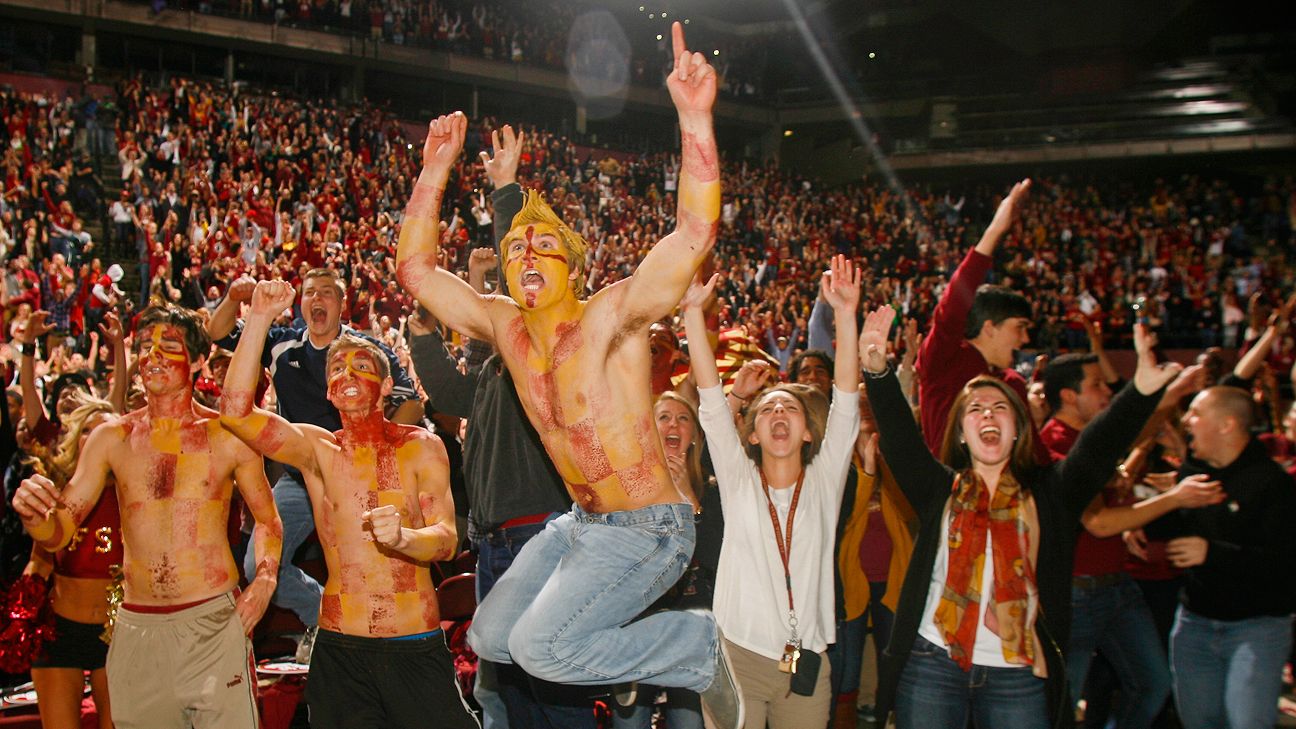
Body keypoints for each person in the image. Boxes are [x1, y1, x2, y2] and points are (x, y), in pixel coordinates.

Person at [397, 23, 743, 729]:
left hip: (649, 525)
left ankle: (696, 647)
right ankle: (616, 654)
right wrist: (433, 172)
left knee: (543, 648)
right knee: (492, 639)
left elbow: (690, 236)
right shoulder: (503, 327)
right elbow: (417, 272)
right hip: (579, 522)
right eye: (517, 242)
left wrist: (694, 119)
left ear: (572, 264)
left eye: (544, 243)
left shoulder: (612, 314)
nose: (526, 251)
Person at [860, 305, 1181, 729]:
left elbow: (1096, 451)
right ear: (961, 430)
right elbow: (900, 440)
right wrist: (877, 370)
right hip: (932, 662)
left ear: (1018, 428)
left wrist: (1139, 392)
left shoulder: (1051, 494)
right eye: (975, 409)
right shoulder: (940, 490)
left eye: (1000, 408)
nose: (988, 414)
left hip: (1018, 670)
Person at [220, 280, 479, 729]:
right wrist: (259, 317)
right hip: (341, 647)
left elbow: (445, 539)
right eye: (336, 368)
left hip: (412, 641)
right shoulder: (319, 452)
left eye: (361, 366)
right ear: (328, 391)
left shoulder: (420, 447)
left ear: (383, 389)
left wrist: (403, 537)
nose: (346, 373)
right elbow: (236, 413)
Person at [11, 301, 282, 729]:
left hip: (210, 621)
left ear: (197, 359)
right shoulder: (109, 438)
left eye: (167, 346)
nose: (151, 357)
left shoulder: (229, 437)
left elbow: (267, 520)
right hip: (136, 628)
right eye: (143, 346)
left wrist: (265, 581)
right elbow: (59, 532)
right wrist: (35, 516)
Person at [408, 124, 593, 729]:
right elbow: (448, 393)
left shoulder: (546, 355)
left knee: (546, 690)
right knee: (502, 693)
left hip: (539, 534)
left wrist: (508, 193)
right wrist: (420, 331)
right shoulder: (493, 371)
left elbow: (525, 277)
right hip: (492, 542)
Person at [684, 255, 861, 729]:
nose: (779, 413)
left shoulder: (825, 483)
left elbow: (846, 404)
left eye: (790, 408)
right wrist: (693, 318)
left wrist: (844, 315)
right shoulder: (739, 481)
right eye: (767, 410)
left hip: (807, 662)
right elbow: (711, 400)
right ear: (754, 435)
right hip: (736, 658)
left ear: (808, 432)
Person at [209, 266, 421, 661]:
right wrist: (236, 298)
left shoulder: (364, 350)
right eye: (309, 293)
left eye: (327, 292)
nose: (317, 299)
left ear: (341, 304)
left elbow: (411, 399)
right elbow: (217, 332)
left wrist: (377, 456)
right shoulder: (281, 344)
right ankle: (325, 617)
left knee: (371, 568)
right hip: (298, 475)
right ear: (300, 303)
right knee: (258, 566)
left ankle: (383, 641)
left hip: (356, 477)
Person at [1040, 353, 1220, 729]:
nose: (1106, 391)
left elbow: (1136, 428)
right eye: (1096, 384)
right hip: (1076, 594)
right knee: (1061, 705)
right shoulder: (1053, 446)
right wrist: (1173, 498)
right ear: (1070, 396)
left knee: (1153, 684)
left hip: (1117, 587)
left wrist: (1175, 391)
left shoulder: (1089, 436)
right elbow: (1101, 524)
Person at [1144, 386, 1296, 729]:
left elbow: (1283, 565)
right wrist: (1144, 525)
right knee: (1198, 721)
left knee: (1247, 722)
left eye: (1196, 413)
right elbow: (1181, 528)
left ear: (1227, 425)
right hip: (1194, 624)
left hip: (1257, 628)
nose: (1186, 420)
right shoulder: (1193, 474)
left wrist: (1211, 553)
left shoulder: (1273, 485)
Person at [613, 391, 723, 729]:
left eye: (683, 418)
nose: (673, 424)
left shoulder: (714, 488)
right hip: (637, 621)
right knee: (630, 721)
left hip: (693, 621)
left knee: (689, 721)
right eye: (663, 417)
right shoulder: (627, 486)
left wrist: (690, 498)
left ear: (695, 437)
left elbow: (715, 557)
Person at [916, 181, 1035, 456]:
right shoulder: (943, 363)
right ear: (990, 327)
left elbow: (1036, 459)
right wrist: (994, 232)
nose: (1026, 339)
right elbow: (951, 309)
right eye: (1020, 327)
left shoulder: (1014, 384)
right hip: (951, 497)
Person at [23, 393, 119, 729]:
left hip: (117, 633)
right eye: (89, 431)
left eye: (106, 432)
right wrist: (23, 611)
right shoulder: (59, 493)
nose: (98, 439)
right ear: (77, 440)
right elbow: (41, 560)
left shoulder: (134, 494)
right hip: (59, 631)